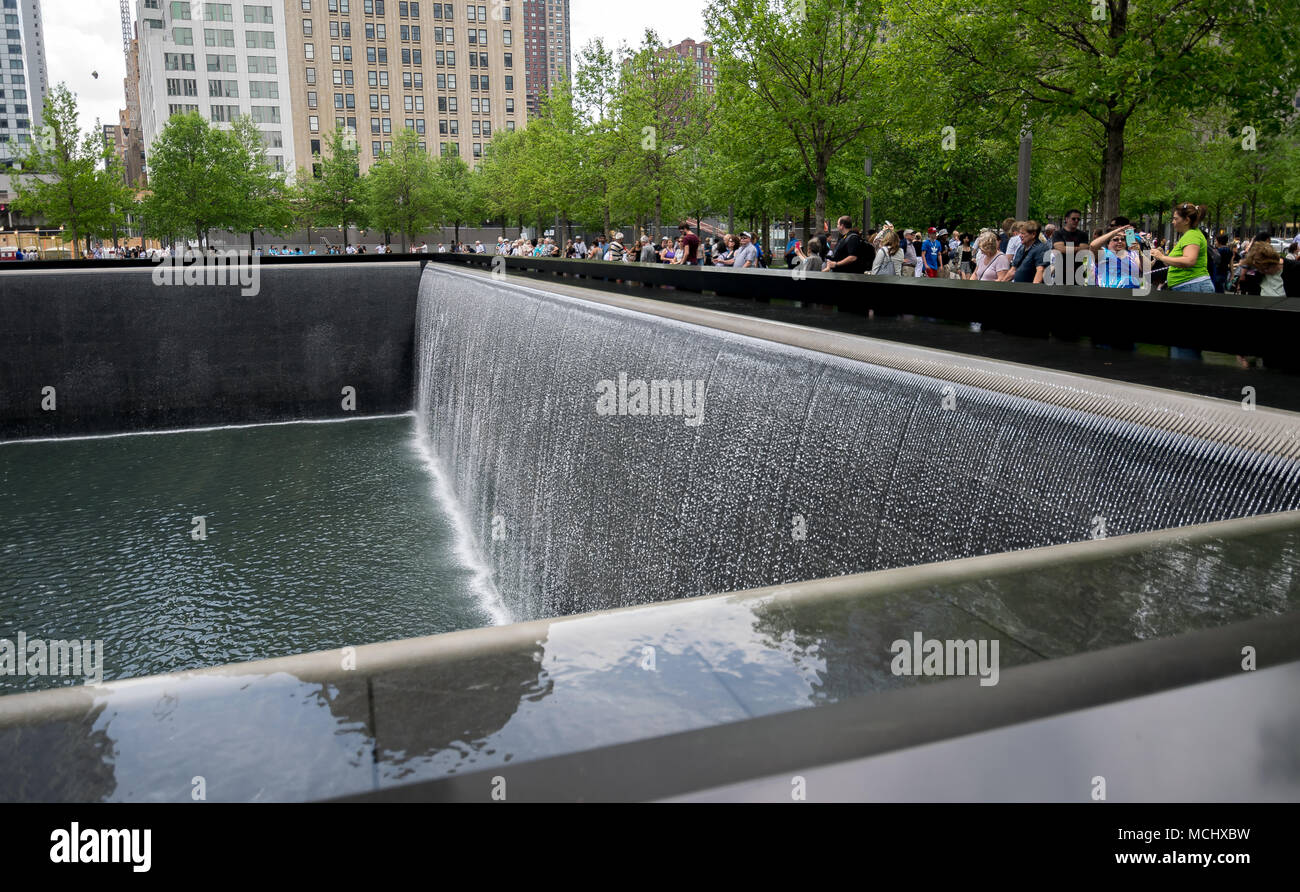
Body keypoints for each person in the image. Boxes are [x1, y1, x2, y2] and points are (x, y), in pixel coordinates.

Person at [1152, 203, 1212, 292]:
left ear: (1186, 220)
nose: (1173, 222)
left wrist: (1162, 257)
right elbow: (1177, 262)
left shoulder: (1192, 235)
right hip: (1190, 285)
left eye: (1176, 219)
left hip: (1191, 286)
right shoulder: (1191, 234)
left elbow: (1189, 261)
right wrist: (1163, 257)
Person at [1089, 224, 1144, 289]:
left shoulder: (1133, 254)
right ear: (1108, 243)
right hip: (1109, 294)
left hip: (1132, 294)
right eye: (1115, 239)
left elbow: (1144, 268)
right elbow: (1093, 246)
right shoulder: (1103, 253)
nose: (1120, 241)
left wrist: (1140, 252)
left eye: (1122, 239)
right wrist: (1116, 231)